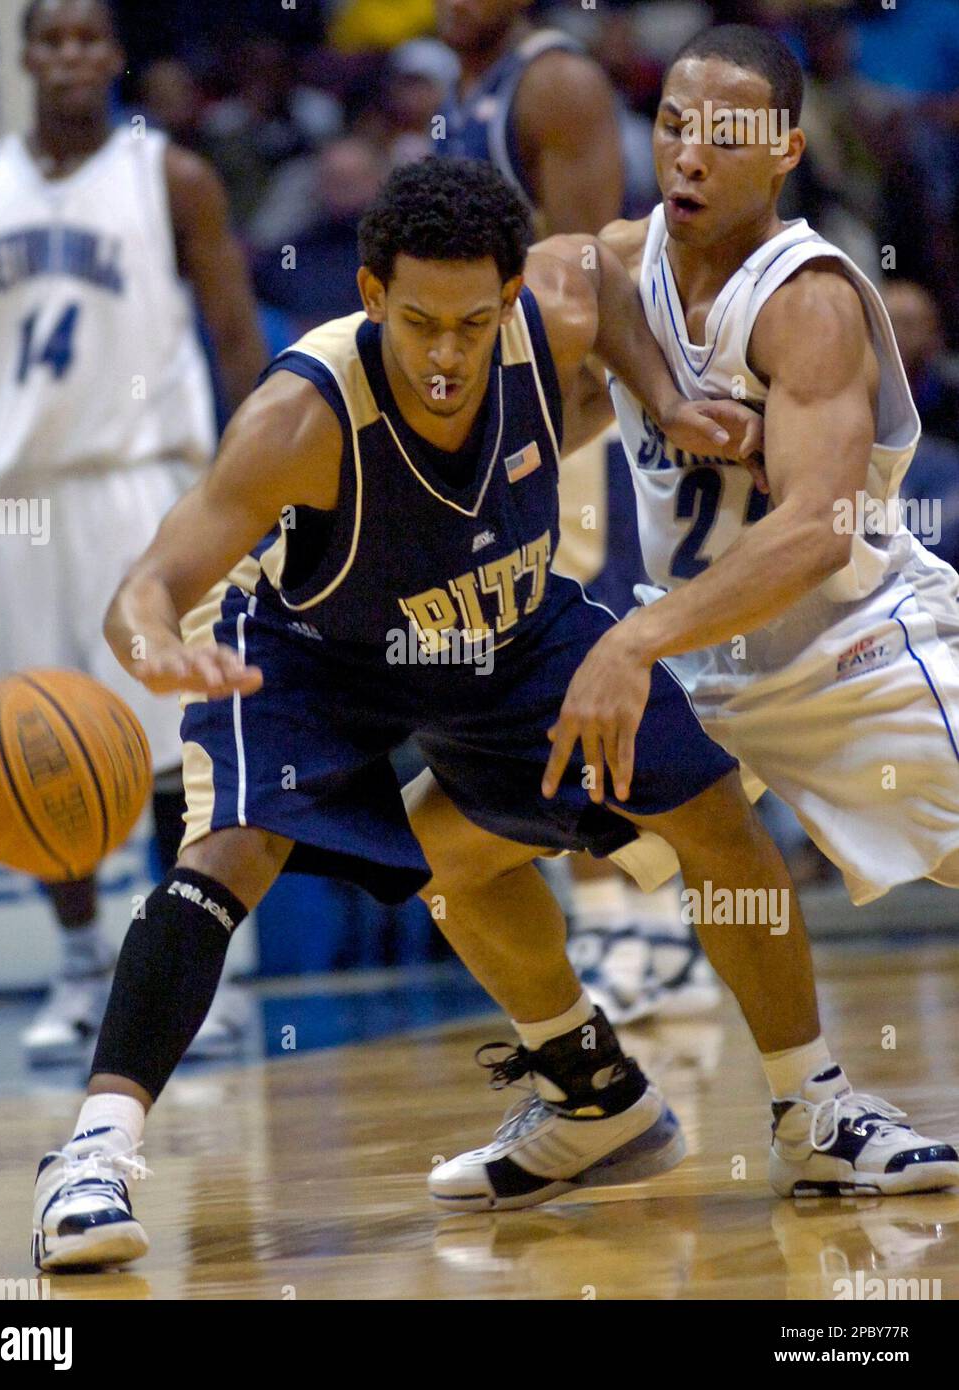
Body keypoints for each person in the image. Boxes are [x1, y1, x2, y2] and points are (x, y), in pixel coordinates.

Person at [30, 157, 957, 1271]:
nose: (445, 354)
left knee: (704, 805)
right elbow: (149, 584)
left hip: (505, 630)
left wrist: (661, 398)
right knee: (231, 848)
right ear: (371, 296)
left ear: (513, 295)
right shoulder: (299, 418)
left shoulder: (555, 299)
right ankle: (90, 1156)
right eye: (418, 321)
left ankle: (772, 1110)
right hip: (318, 655)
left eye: (473, 322)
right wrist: (151, 649)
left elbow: (603, 276)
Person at [540, 24, 959, 1156]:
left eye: (723, 138)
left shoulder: (806, 298)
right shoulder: (626, 265)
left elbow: (818, 531)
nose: (688, 156)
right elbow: (557, 276)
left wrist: (633, 643)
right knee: (451, 841)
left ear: (780, 151)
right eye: (674, 127)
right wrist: (655, 392)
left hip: (854, 650)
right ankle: (602, 1099)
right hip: (703, 655)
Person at [0, 0, 265, 1062]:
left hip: (145, 484)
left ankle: (187, 978)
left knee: (166, 746)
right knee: (35, 739)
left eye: (87, 38)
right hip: (18, 495)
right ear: (25, 56)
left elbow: (237, 336)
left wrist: (259, 494)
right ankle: (80, 971)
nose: (69, 55)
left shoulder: (170, 176)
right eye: (50, 39)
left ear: (114, 56)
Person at [434, 0, 715, 1023]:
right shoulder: (465, 86)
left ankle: (646, 935)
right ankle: (629, 927)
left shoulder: (553, 82)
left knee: (579, 668)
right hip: (498, 423)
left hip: (562, 420)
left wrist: (546, 440)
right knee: (526, 687)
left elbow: (584, 277)